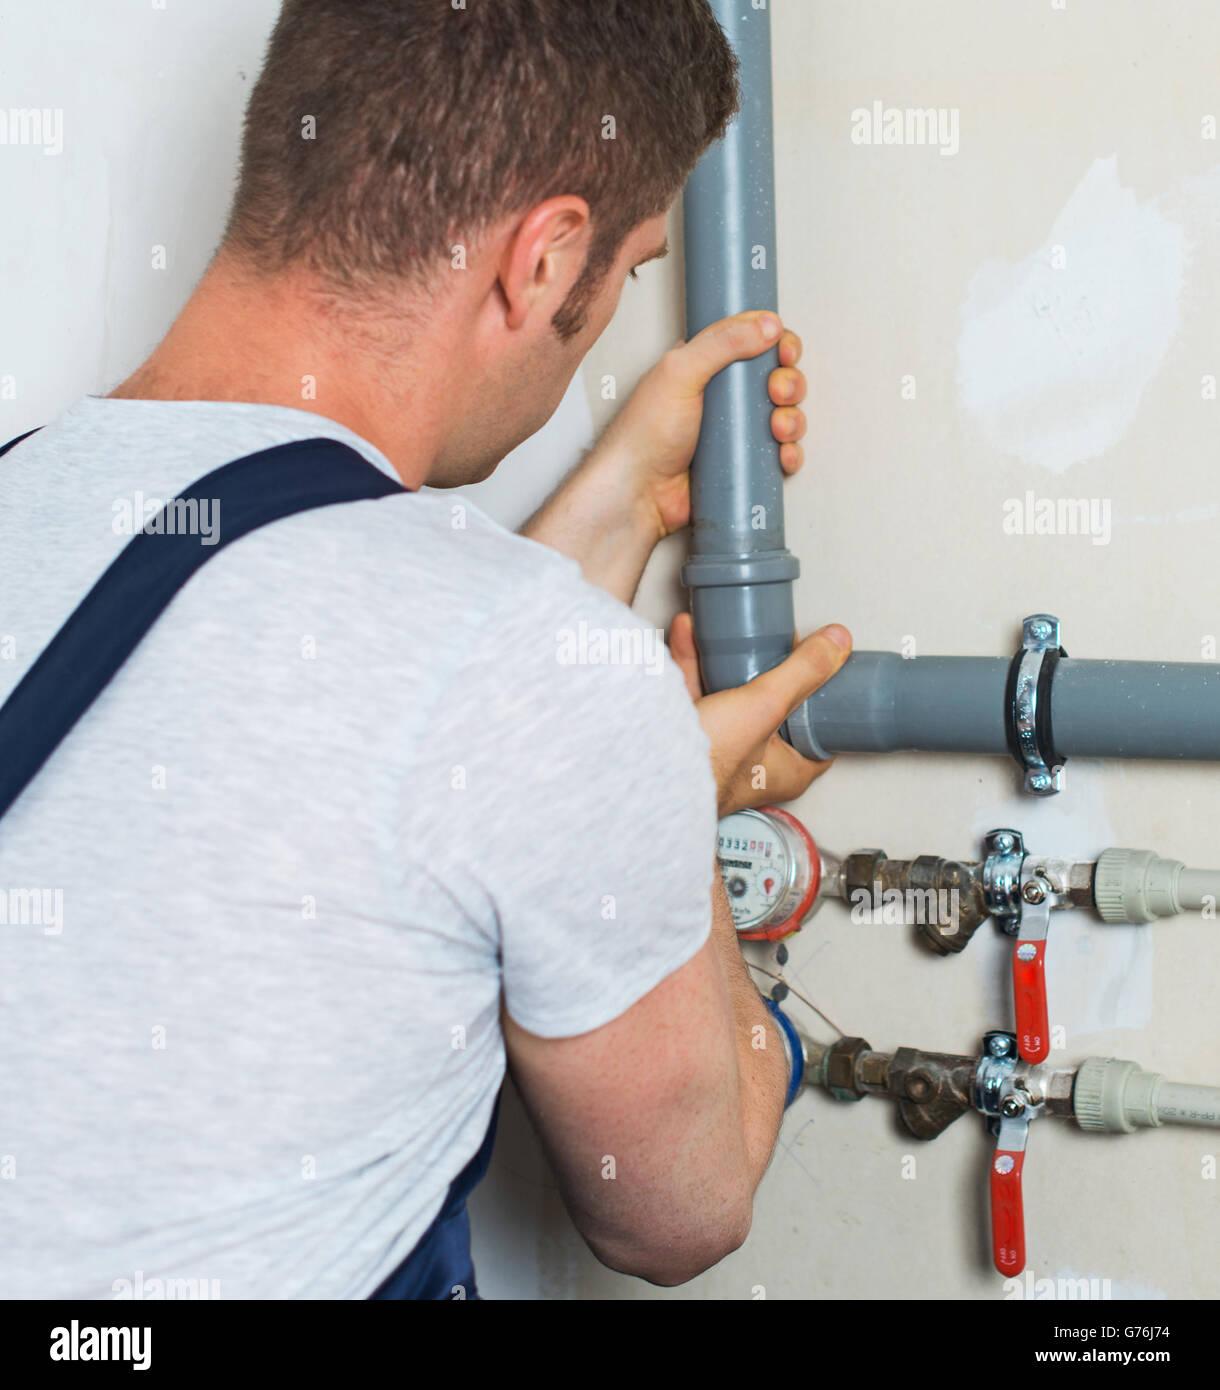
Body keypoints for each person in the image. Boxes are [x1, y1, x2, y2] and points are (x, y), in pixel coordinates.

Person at [0, 0, 851, 1298]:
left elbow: (350, 686)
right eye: (626, 272)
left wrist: (619, 500)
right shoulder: (533, 687)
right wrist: (672, 801)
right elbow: (684, 1207)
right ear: (547, 258)